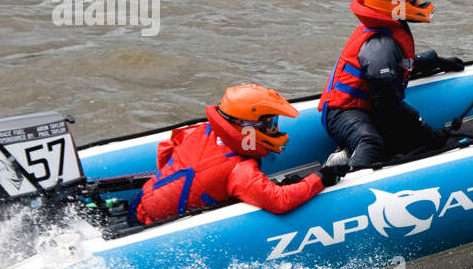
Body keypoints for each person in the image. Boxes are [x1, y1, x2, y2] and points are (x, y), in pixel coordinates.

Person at [319, 0, 465, 169]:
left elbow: (400, 66)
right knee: (371, 142)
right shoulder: (381, 44)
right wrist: (422, 126)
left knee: (412, 140)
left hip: (365, 107)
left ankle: (349, 153)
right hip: (344, 112)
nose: (418, 2)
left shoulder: (387, 31)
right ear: (394, 3)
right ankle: (347, 171)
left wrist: (438, 61)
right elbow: (388, 102)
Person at [135, 84, 342, 225]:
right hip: (153, 224)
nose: (274, 129)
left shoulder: (200, 131)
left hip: (140, 201)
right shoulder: (239, 169)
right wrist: (321, 178)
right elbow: (280, 201)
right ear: (248, 128)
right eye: (269, 124)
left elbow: (165, 152)